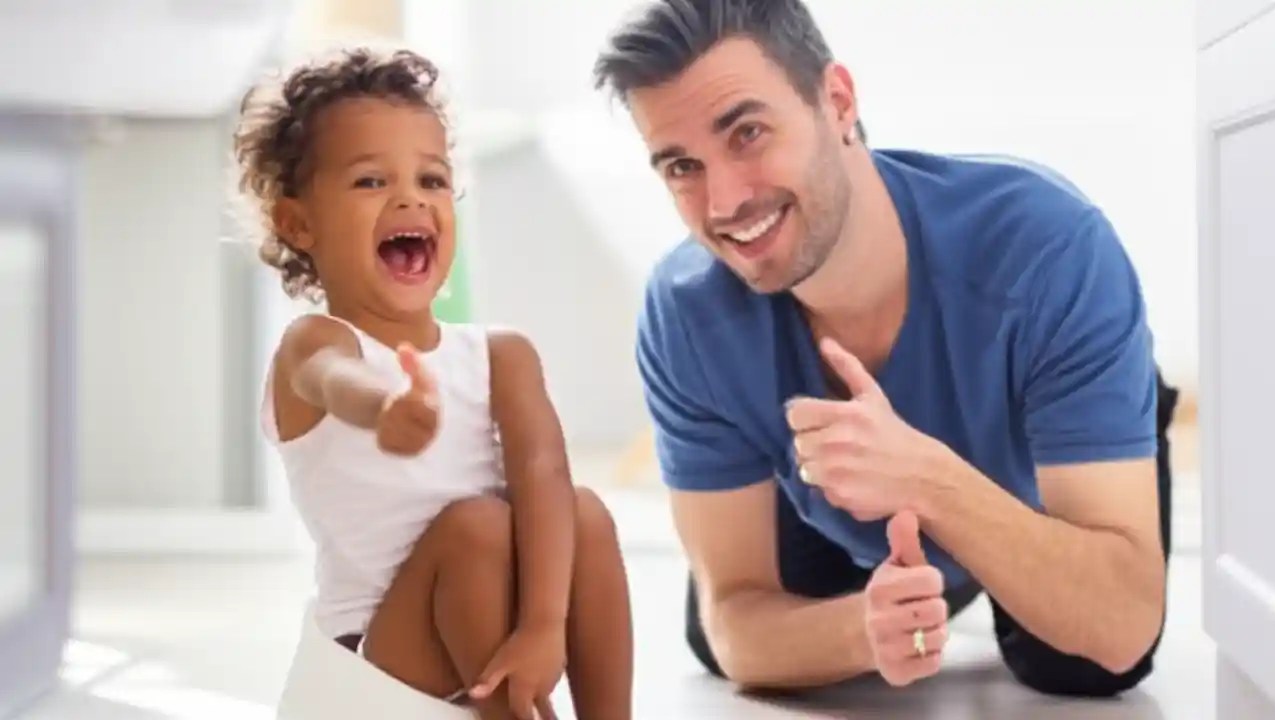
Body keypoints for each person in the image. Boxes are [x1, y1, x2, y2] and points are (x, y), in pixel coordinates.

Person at [594, 0, 1177, 699]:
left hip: (1032, 484)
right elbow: (734, 622)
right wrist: (865, 629)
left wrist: (928, 482)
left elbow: (1122, 627)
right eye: (682, 166)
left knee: (1072, 665)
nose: (722, 203)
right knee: (734, 648)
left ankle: (986, 544)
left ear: (836, 101)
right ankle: (929, 577)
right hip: (838, 514)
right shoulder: (687, 311)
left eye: (747, 133)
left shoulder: (1047, 246)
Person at [234, 47, 634, 720]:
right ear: (299, 223)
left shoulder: (501, 355)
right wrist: (386, 407)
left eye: (433, 178)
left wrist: (542, 625)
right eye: (369, 181)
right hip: (376, 660)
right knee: (475, 527)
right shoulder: (319, 343)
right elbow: (336, 381)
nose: (411, 196)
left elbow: (542, 468)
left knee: (584, 513)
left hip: (490, 619)